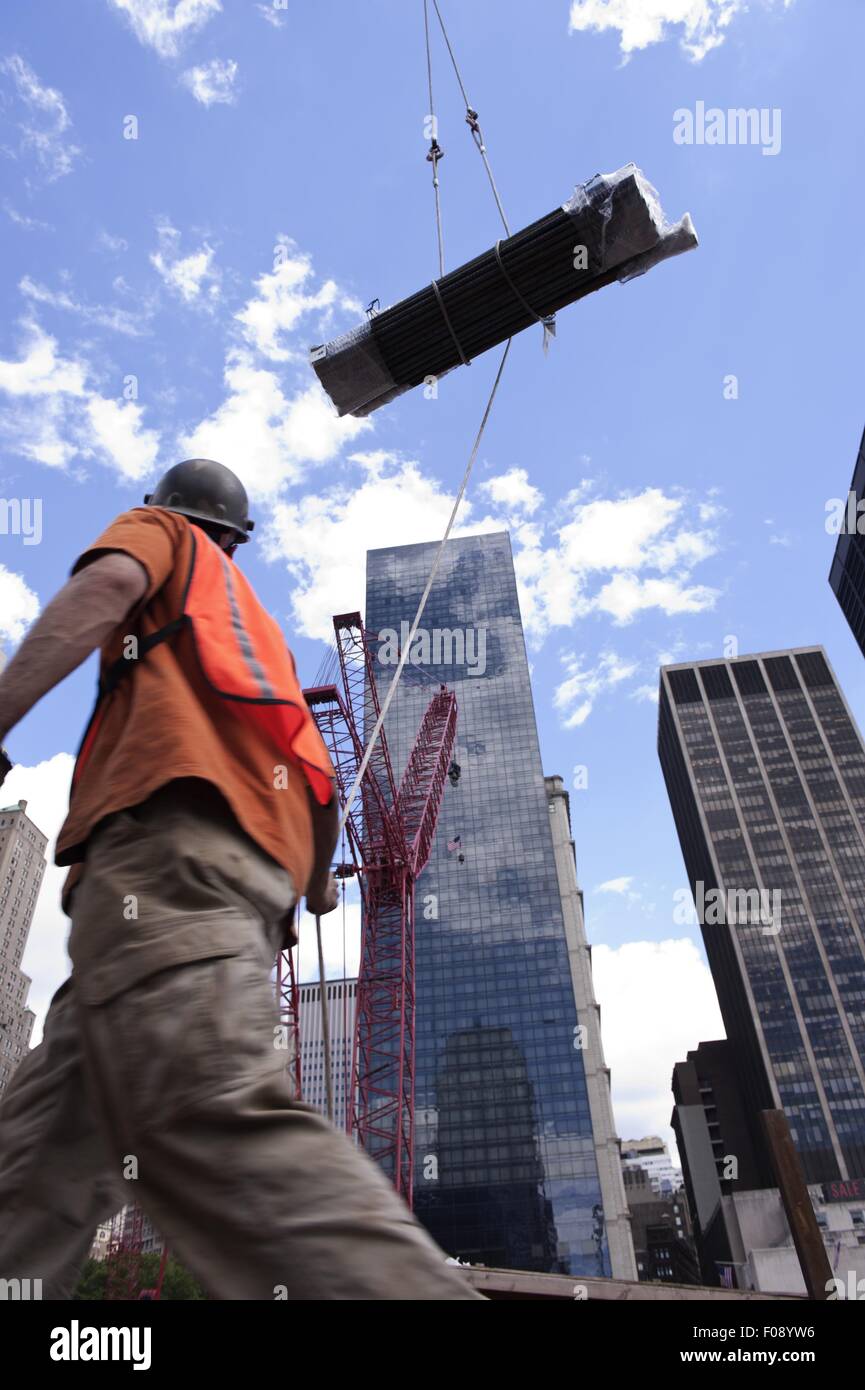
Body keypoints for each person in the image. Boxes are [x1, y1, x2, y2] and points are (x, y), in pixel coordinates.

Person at [0, 458, 483, 1301]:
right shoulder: (257, 638)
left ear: (174, 513)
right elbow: (322, 782)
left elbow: (106, 586)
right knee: (29, 1180)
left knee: (201, 1115)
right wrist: (321, 888)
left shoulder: (159, 536)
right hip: (222, 895)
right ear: (238, 538)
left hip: (165, 861)